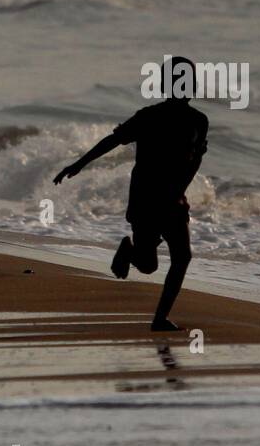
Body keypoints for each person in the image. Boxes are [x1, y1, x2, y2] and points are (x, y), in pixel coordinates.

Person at [53, 56, 209, 332]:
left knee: (182, 257)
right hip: (146, 197)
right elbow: (112, 140)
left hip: (173, 197)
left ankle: (160, 319)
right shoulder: (148, 116)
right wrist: (79, 163)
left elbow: (197, 157)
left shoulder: (199, 120)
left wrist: (182, 186)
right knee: (147, 266)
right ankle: (129, 249)